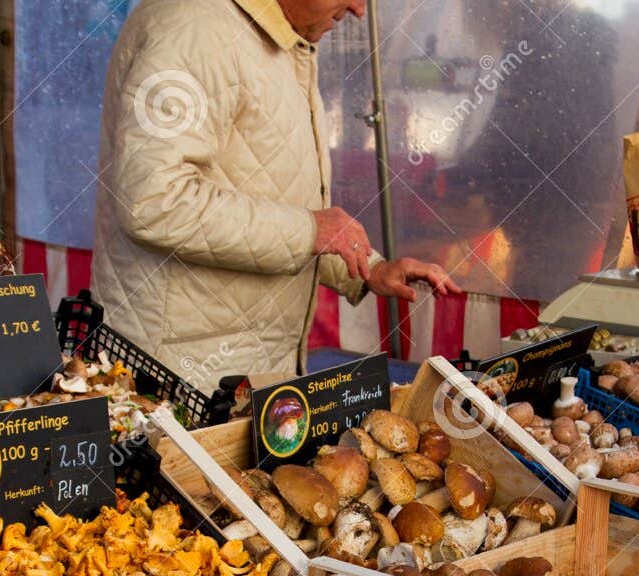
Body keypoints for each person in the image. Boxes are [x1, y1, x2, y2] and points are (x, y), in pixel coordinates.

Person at [92, 0, 457, 391]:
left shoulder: (277, 37)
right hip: (181, 376)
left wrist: (369, 268)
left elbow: (271, 198)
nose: (357, 9)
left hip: (238, 369)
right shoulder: (194, 27)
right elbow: (153, 203)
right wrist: (310, 230)